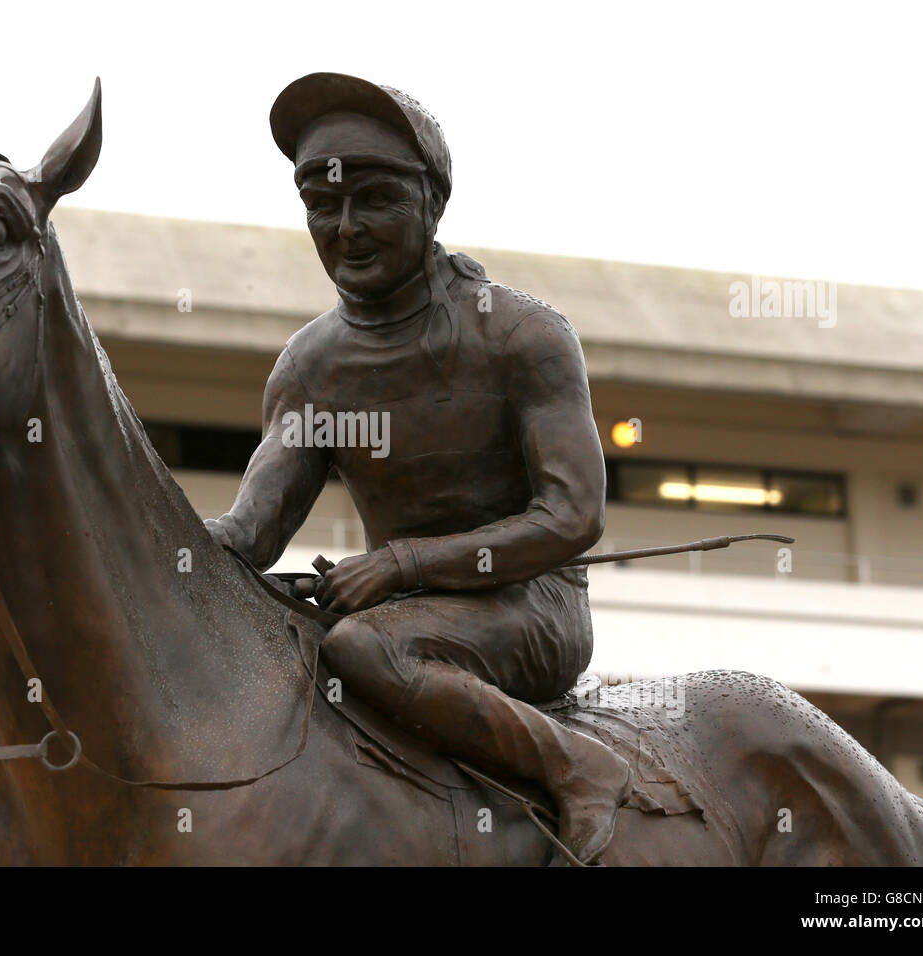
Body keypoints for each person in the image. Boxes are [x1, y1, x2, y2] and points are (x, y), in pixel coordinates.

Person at [205, 73, 631, 863]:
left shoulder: (521, 335)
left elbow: (573, 518)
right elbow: (250, 534)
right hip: (396, 610)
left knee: (365, 651)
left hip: (527, 608)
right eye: (322, 205)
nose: (346, 228)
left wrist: (400, 565)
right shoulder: (312, 365)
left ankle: (578, 768)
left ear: (431, 202)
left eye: (374, 200)